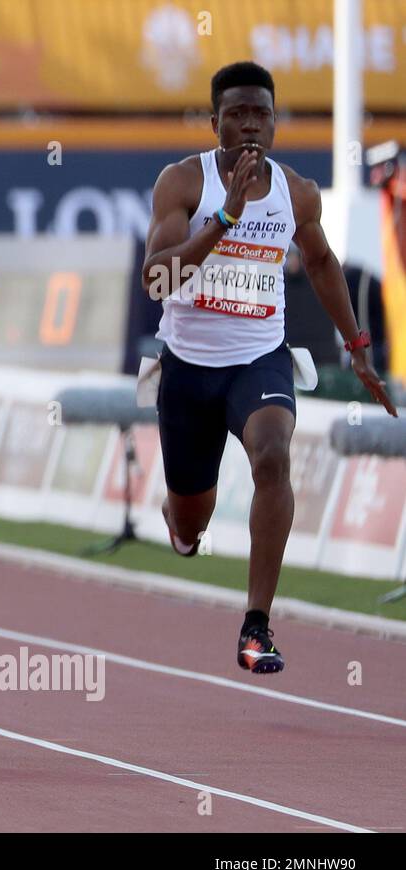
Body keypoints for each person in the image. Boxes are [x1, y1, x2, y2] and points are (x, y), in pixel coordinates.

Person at [142, 62, 397, 674]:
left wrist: (357, 346)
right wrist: (225, 218)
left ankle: (257, 623)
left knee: (273, 454)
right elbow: (158, 280)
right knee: (189, 519)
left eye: (261, 113)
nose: (250, 125)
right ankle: (181, 526)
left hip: (260, 358)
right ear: (215, 124)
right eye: (237, 114)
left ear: (276, 122)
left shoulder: (296, 192)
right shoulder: (183, 183)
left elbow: (321, 262)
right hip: (189, 367)